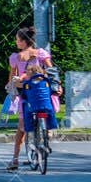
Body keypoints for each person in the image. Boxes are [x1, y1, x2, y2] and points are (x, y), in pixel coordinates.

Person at [7, 26, 57, 170]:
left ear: (23, 42)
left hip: (26, 93)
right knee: (46, 109)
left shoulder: (16, 57)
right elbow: (51, 71)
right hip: (41, 92)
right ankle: (47, 133)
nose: (16, 42)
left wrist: (11, 86)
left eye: (17, 40)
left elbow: (12, 79)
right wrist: (56, 85)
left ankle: (15, 160)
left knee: (21, 129)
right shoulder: (41, 53)